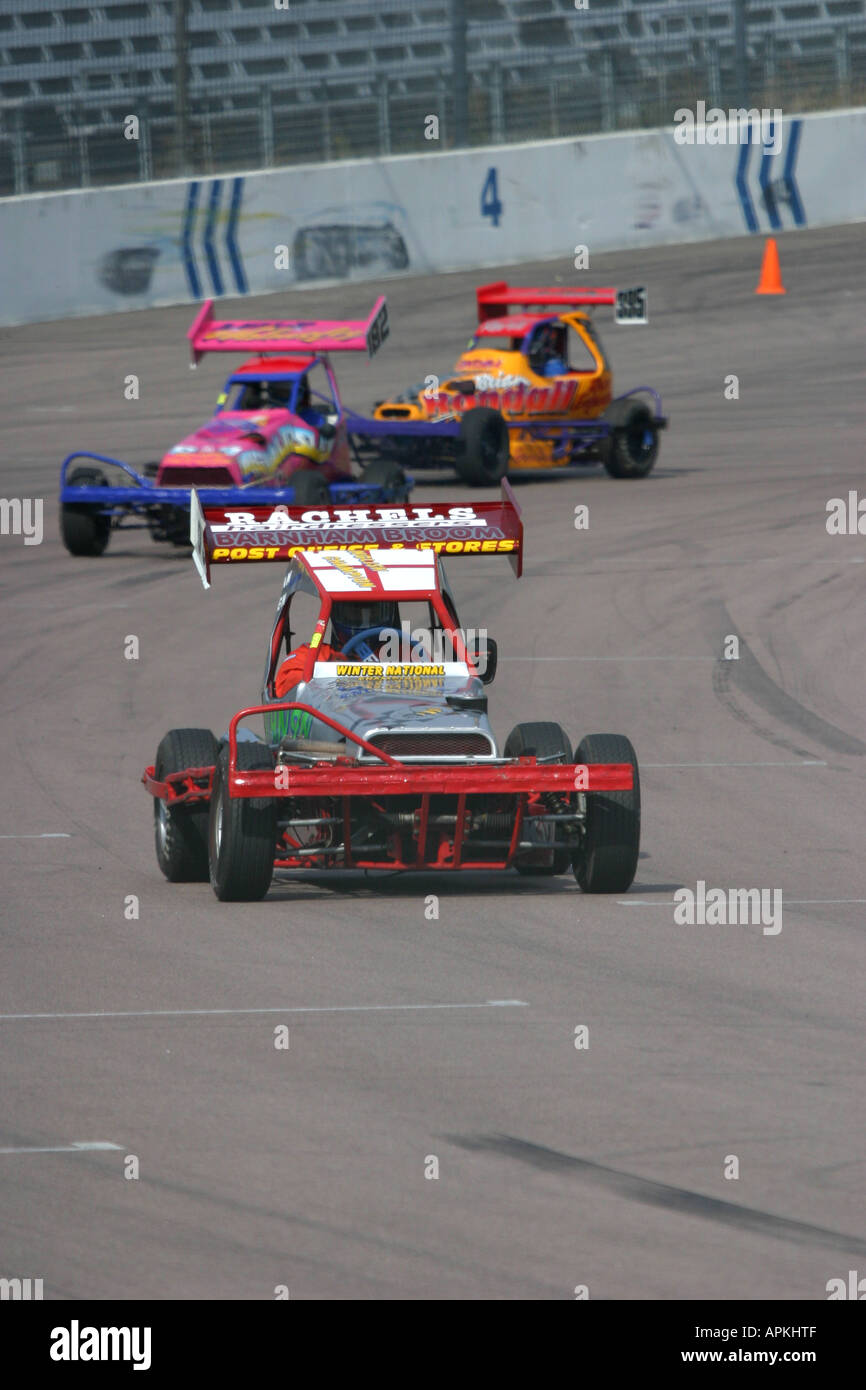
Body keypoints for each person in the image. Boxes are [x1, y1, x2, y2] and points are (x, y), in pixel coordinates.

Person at [275, 599, 401, 697]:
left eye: (374, 613)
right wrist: (330, 672)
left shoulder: (403, 653)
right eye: (355, 613)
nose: (365, 621)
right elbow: (289, 689)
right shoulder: (308, 656)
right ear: (336, 613)